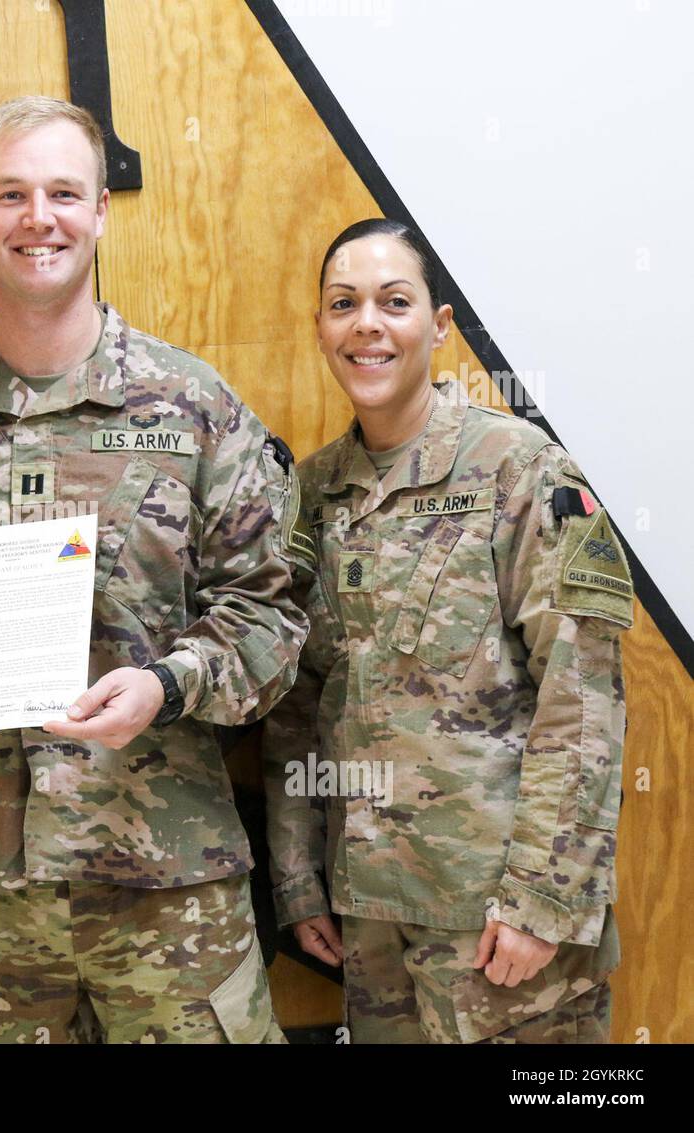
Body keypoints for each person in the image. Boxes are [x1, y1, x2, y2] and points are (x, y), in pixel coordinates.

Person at [0, 96, 312, 1044]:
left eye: (62, 192)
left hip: (172, 894)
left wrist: (168, 685)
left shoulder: (193, 406)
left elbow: (270, 619)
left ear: (99, 211)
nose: (36, 217)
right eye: (10, 194)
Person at [262, 218, 631, 1043]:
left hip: (503, 932)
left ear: (438, 325)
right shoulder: (315, 495)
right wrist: (297, 882)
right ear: (321, 327)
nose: (367, 324)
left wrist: (544, 898)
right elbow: (296, 707)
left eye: (395, 301)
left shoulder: (521, 468)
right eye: (343, 303)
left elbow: (584, 704)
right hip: (372, 925)